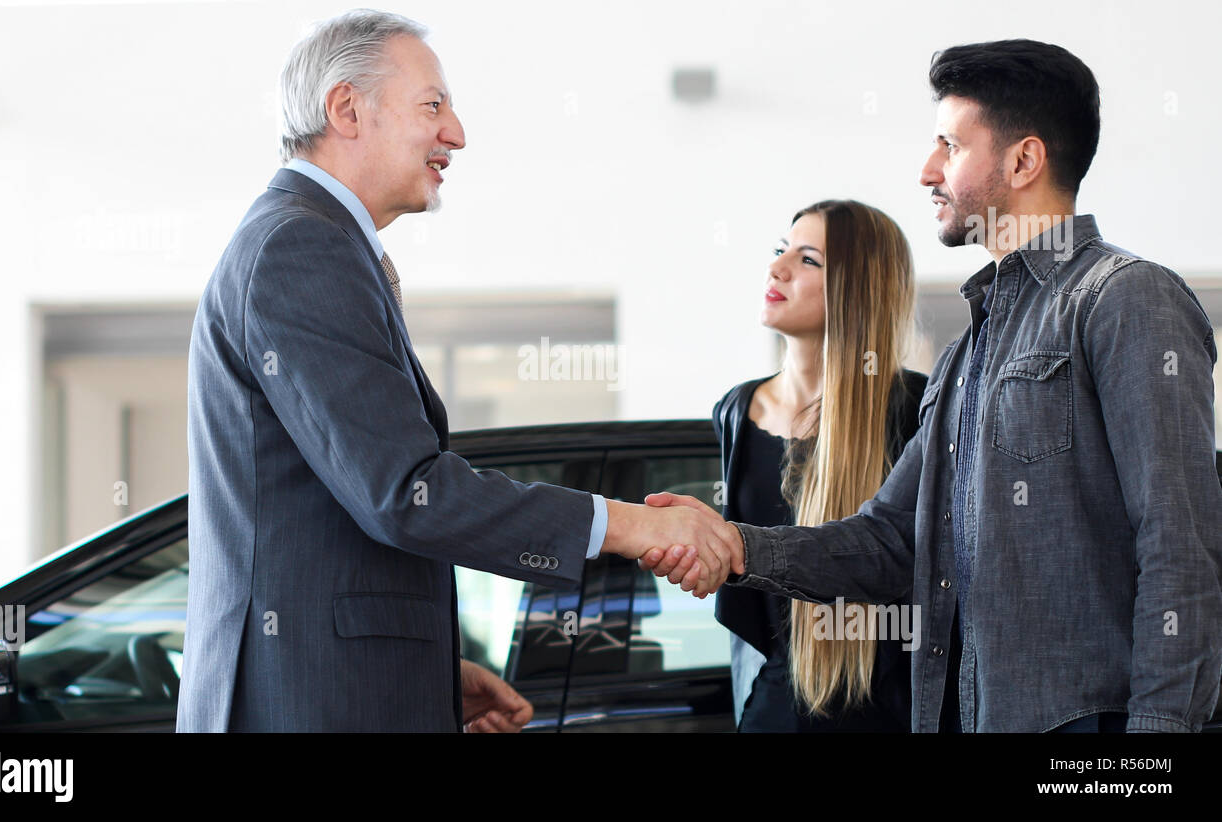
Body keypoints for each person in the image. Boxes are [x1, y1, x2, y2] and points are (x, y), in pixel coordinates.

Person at [177, 10, 742, 733]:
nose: (457, 133)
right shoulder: (302, 249)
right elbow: (405, 493)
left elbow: (323, 520)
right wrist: (626, 525)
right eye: (433, 105)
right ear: (346, 108)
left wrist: (425, 667)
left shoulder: (306, 240)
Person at [644, 39, 1222, 733]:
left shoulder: (1124, 298)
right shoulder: (965, 354)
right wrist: (736, 545)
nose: (927, 171)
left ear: (1023, 160)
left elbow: (1179, 542)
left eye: (949, 144)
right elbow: (888, 539)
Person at [715, 200, 925, 732]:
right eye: (780, 251)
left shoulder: (920, 409)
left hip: (889, 709)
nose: (777, 268)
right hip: (774, 707)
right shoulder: (736, 410)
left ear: (858, 287)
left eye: (808, 260)